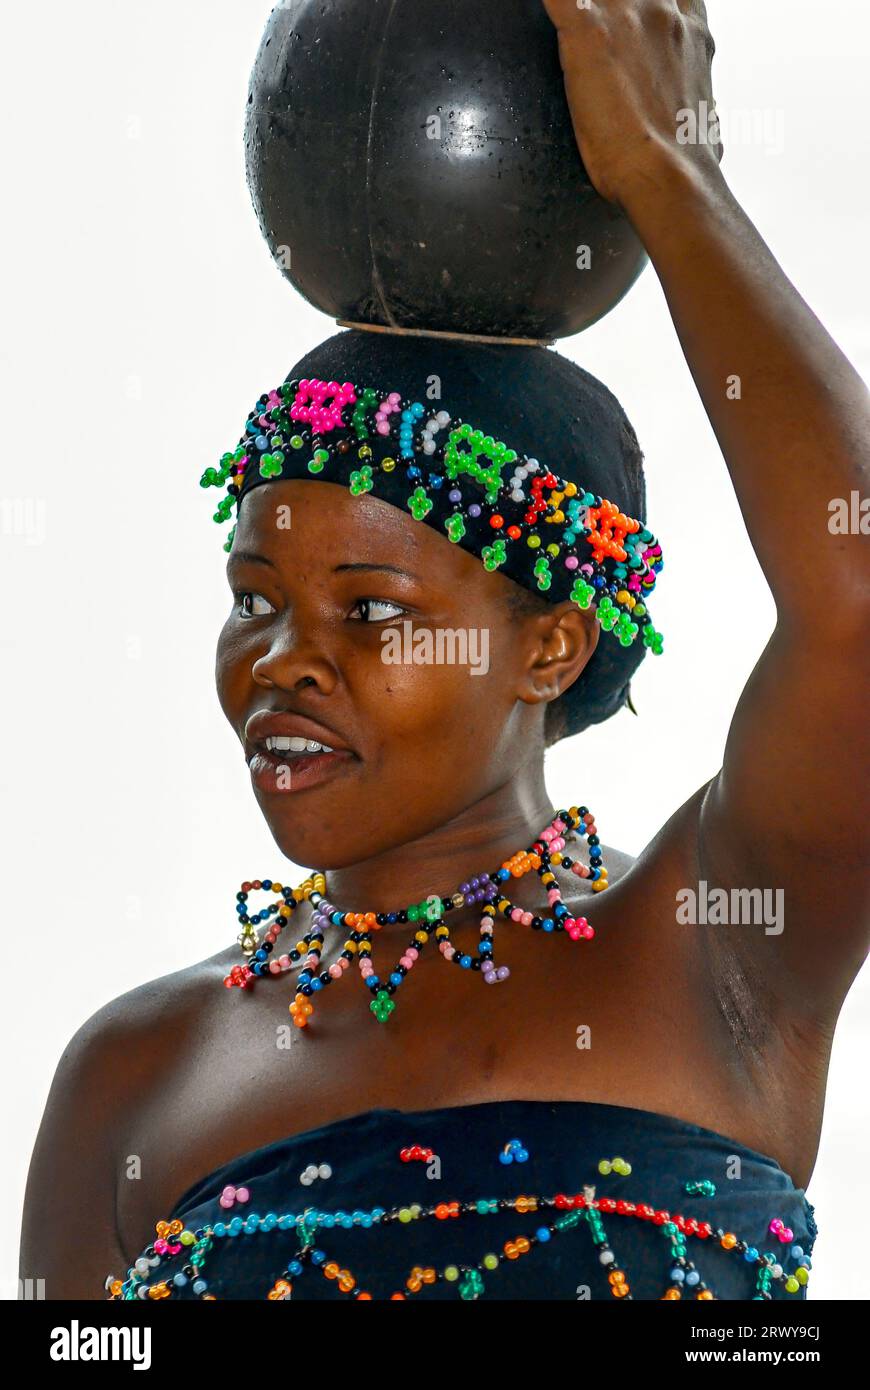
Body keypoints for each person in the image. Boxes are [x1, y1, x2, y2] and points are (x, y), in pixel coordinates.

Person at [19, 0, 868, 1301]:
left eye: (368, 609)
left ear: (548, 646)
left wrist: (665, 170)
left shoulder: (712, 954)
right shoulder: (137, 1069)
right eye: (254, 596)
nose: (282, 661)